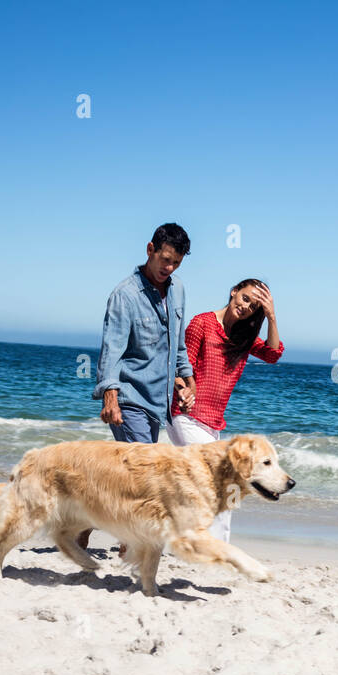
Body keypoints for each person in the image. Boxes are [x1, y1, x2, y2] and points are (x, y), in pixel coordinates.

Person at [77, 222, 196, 552]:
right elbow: (111, 350)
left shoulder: (178, 291)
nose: (168, 268)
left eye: (176, 263)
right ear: (150, 250)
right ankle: (133, 545)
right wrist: (109, 397)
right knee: (147, 477)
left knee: (129, 477)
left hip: (159, 401)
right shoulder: (125, 295)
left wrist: (189, 382)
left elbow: (178, 344)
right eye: (165, 259)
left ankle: (83, 522)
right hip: (129, 399)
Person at [167, 279, 284, 542]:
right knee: (226, 480)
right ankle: (220, 547)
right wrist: (186, 390)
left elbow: (273, 354)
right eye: (244, 299)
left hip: (212, 424)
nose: (246, 307)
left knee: (195, 486)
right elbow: (179, 364)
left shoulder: (244, 337)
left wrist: (271, 316)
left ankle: (175, 539)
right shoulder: (203, 323)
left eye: (254, 307)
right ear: (234, 292)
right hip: (186, 416)